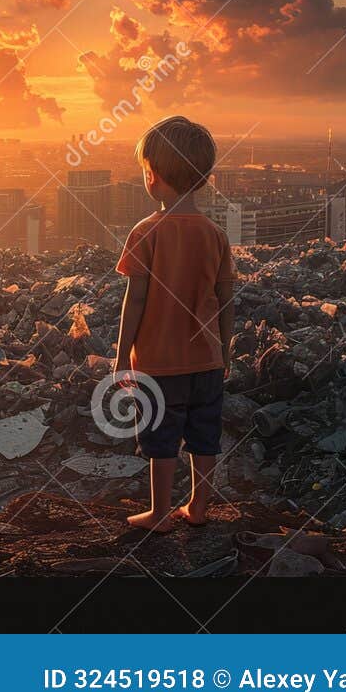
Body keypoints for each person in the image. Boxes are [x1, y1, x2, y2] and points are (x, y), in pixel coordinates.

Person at [113, 116, 235, 533]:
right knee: (205, 435)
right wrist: (225, 350)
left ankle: (160, 513)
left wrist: (121, 357)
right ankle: (198, 507)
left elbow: (135, 299)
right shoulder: (215, 234)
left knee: (160, 438)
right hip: (207, 362)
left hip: (159, 363)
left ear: (153, 175)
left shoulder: (145, 232)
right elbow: (225, 300)